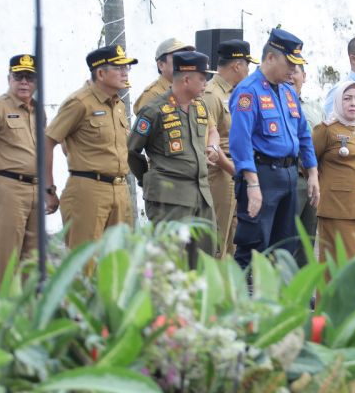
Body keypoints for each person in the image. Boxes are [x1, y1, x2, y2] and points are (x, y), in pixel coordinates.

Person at [228, 28, 319, 270]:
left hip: (288, 176)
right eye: (289, 63)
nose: (293, 70)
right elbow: (240, 141)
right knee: (254, 247)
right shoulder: (249, 91)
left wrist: (312, 172)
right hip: (262, 176)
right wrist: (253, 184)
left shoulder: (289, 92)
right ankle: (241, 305)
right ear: (270, 58)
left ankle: (277, 305)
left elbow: (304, 135)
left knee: (284, 249)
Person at [0, 55, 57, 284]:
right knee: (5, 260)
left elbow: (43, 151)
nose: (24, 82)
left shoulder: (38, 110)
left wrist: (49, 189)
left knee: (33, 260)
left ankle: (27, 315)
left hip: (35, 189)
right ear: (9, 78)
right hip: (7, 189)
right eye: (19, 77)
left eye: (29, 77)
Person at [45, 45, 138, 248]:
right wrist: (48, 189)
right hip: (89, 190)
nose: (125, 73)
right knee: (84, 264)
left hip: (119, 188)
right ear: (101, 73)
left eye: (126, 68)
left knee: (117, 262)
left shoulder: (118, 105)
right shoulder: (79, 102)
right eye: (119, 68)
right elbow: (48, 141)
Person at [128, 52, 218, 250]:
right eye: (202, 78)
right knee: (172, 262)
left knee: (204, 260)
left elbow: (211, 132)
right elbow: (132, 151)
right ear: (186, 79)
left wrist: (213, 147)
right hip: (170, 199)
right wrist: (149, 180)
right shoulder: (154, 110)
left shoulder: (199, 106)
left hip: (202, 196)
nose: (206, 83)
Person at [203, 39, 258, 257]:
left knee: (234, 236)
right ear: (237, 65)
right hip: (219, 171)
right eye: (247, 64)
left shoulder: (236, 93)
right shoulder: (211, 94)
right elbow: (207, 138)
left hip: (237, 167)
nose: (248, 70)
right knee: (219, 235)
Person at [313, 82, 355, 262]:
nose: (353, 103)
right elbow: (308, 161)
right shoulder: (326, 129)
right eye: (347, 98)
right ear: (338, 101)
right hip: (337, 208)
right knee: (336, 263)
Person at [289, 54, 323, 265]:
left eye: (296, 72)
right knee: (285, 238)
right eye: (288, 70)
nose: (291, 76)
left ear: (305, 76)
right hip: (289, 177)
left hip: (312, 179)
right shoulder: (272, 103)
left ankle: (302, 290)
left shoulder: (314, 107)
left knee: (307, 237)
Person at [134, 38, 195, 114]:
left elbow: (209, 124)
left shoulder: (192, 91)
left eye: (186, 56)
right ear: (161, 65)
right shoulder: (152, 95)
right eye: (177, 58)